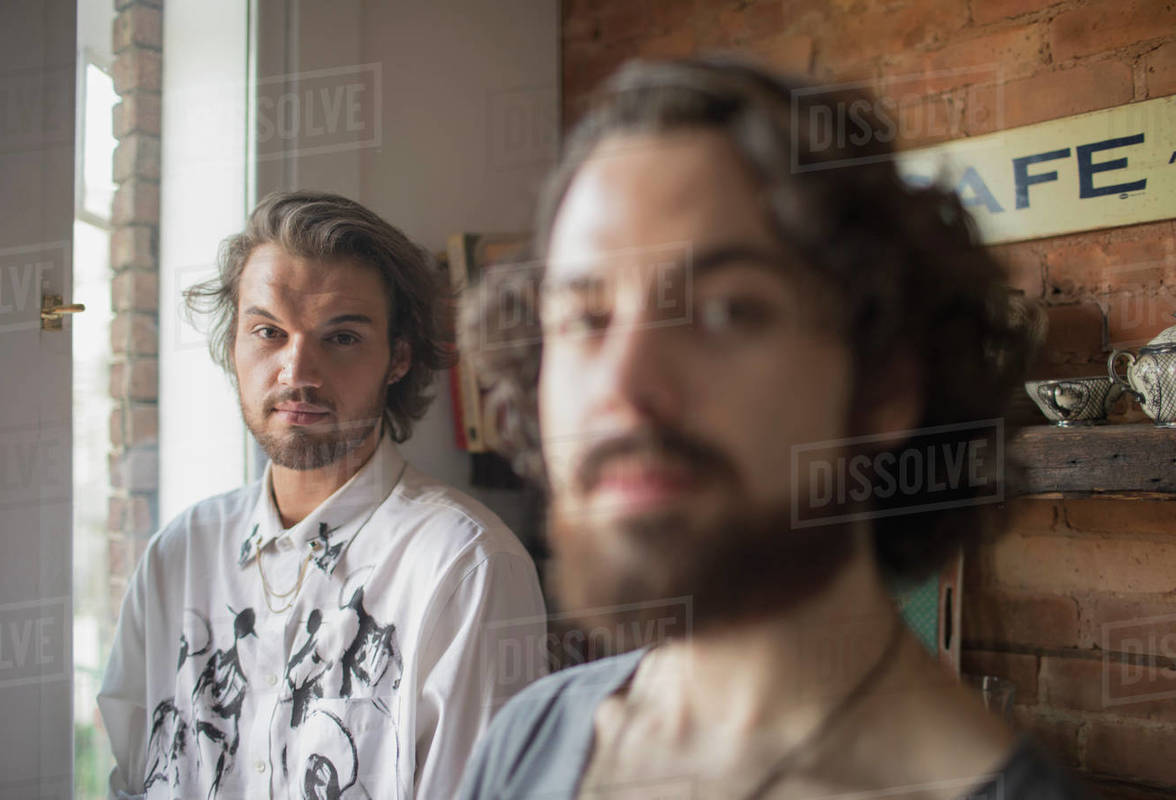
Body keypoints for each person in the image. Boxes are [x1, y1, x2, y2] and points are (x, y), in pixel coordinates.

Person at [456, 60, 1095, 799]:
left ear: (885, 384)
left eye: (727, 310)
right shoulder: (527, 740)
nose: (622, 388)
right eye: (584, 318)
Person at [98, 191, 547, 799]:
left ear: (398, 359)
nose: (297, 371)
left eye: (341, 338)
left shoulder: (464, 568)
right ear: (233, 347)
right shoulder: (178, 556)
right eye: (267, 332)